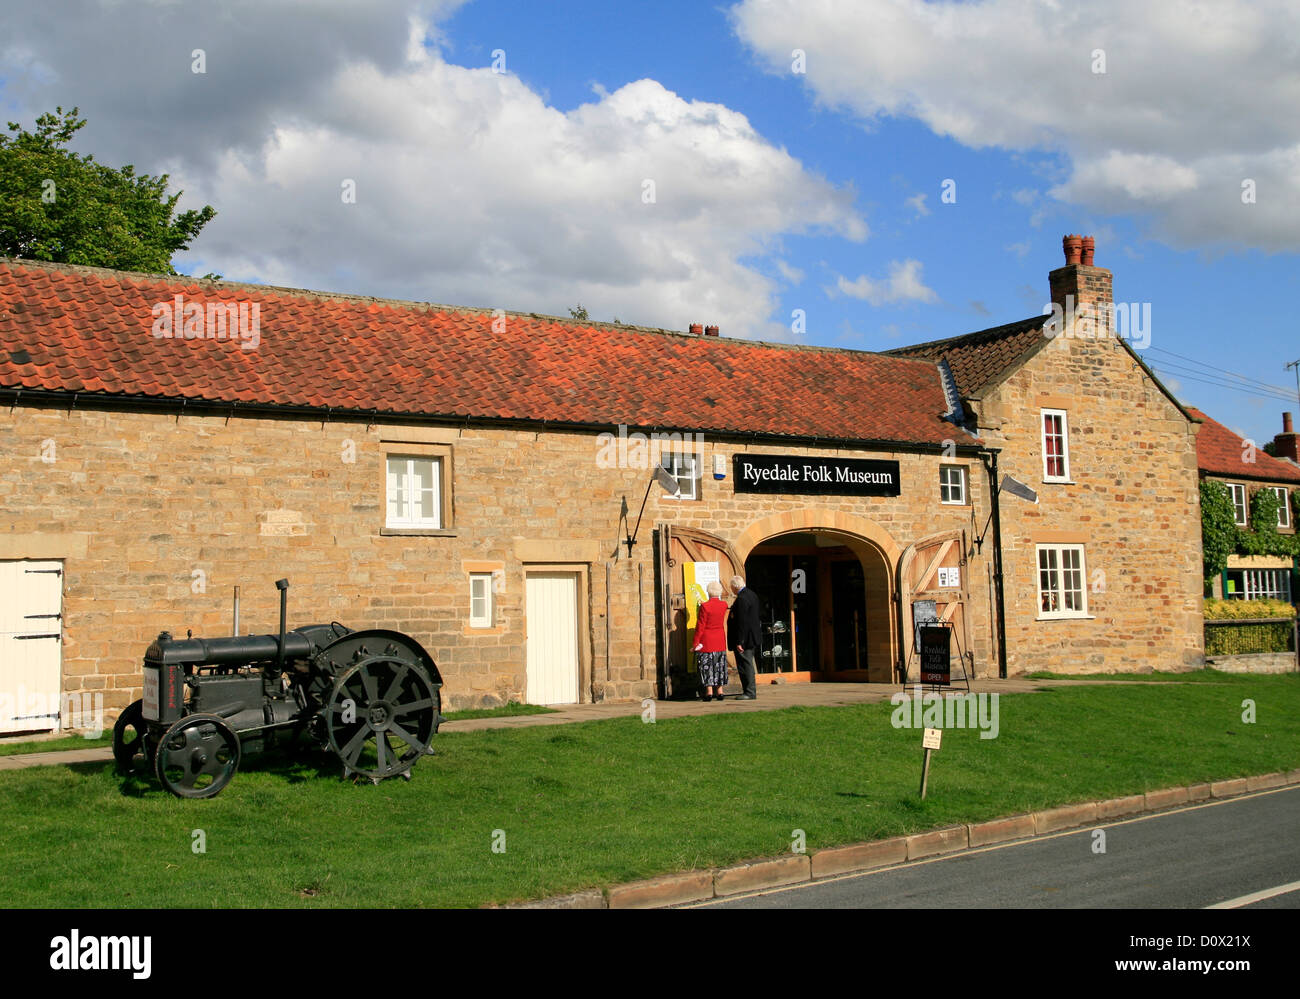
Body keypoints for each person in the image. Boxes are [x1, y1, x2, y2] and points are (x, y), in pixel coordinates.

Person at [693, 580, 729, 702]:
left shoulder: (705, 606)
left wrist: (695, 642)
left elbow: (700, 626)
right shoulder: (723, 605)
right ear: (719, 592)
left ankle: (709, 692)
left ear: (708, 592)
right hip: (719, 638)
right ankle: (720, 691)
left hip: (707, 640)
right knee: (719, 665)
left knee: (707, 666)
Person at [727, 574, 761, 699]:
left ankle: (749, 692)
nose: (731, 589)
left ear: (735, 587)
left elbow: (742, 622)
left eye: (731, 587)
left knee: (745, 665)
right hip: (751, 637)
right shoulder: (752, 594)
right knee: (748, 663)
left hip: (745, 638)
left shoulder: (741, 598)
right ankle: (749, 691)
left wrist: (740, 641)